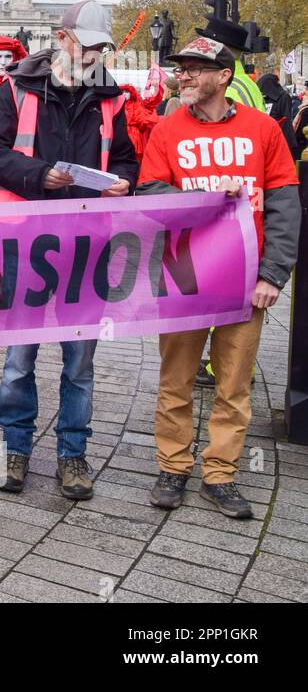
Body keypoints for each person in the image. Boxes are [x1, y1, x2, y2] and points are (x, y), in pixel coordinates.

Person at [0, 0, 138, 500]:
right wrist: (37, 175)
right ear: (62, 39)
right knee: (20, 358)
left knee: (79, 362)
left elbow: (128, 159)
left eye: (100, 48)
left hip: (87, 245)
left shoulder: (111, 98)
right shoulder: (17, 87)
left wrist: (123, 181)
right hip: (28, 241)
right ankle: (17, 449)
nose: (93, 56)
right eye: (86, 46)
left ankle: (72, 456)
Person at [137, 37, 300, 519]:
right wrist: (209, 193)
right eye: (181, 69)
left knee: (234, 384)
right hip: (185, 274)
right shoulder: (167, 130)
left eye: (193, 69)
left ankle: (220, 474)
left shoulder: (264, 129)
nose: (183, 76)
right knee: (176, 379)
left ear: (223, 75)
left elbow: (285, 204)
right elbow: (150, 194)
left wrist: (273, 273)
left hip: (246, 278)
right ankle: (173, 465)